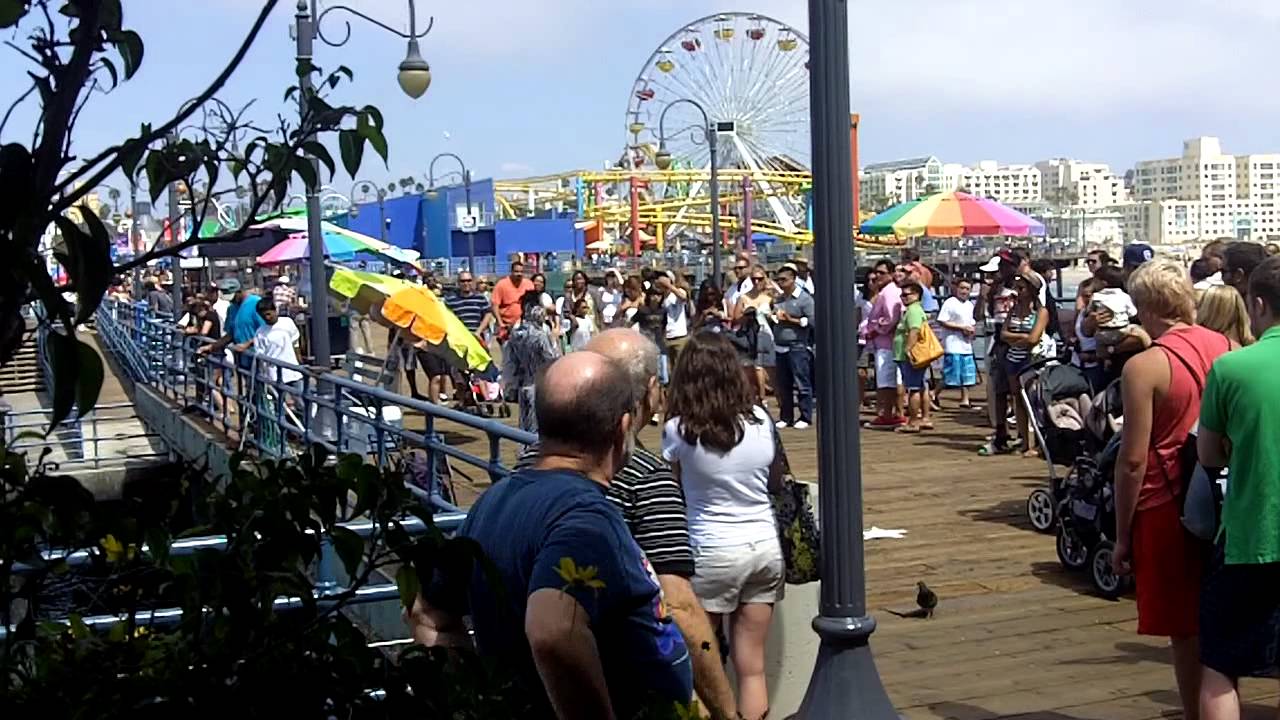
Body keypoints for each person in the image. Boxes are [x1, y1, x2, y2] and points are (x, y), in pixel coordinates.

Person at [409, 351, 693, 719]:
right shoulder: (584, 518)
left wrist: (484, 699)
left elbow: (427, 614)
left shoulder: (493, 499)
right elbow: (553, 632)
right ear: (623, 429)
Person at [512, 329, 739, 720]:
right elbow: (679, 605)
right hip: (623, 691)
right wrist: (725, 710)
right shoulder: (647, 480)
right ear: (650, 390)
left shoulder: (524, 470)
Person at [1112, 258, 1234, 720]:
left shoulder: (1144, 367)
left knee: (1185, 629)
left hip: (1167, 502)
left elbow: (1133, 460)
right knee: (1221, 618)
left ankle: (1195, 713)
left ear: (1146, 306)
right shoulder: (1228, 346)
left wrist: (1122, 535)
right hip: (1223, 497)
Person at [662, 332, 786, 720]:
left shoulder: (678, 430)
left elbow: (674, 485)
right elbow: (775, 481)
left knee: (701, 667)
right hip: (764, 546)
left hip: (711, 550)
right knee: (752, 667)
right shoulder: (761, 421)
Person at [1197, 256, 1280, 720]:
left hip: (1252, 535)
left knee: (1221, 665)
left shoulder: (1231, 368)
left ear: (1260, 304)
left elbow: (1209, 455)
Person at [1000, 274, 1049, 457]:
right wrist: (1023, 338)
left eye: (1022, 288)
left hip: (1031, 361)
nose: (1018, 292)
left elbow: (1034, 339)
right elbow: (1003, 334)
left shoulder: (1041, 311)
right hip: (1013, 359)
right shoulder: (1013, 310)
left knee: (1033, 401)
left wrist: (1017, 338)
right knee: (1018, 400)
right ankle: (1024, 440)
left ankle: (1035, 442)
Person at [502, 301, 561, 434]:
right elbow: (551, 358)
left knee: (523, 425)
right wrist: (554, 341)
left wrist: (510, 383)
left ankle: (523, 451)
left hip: (522, 384)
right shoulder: (540, 336)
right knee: (536, 427)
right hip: (538, 384)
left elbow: (509, 361)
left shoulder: (516, 334)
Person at [771, 265, 815, 429]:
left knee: (802, 382)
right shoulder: (779, 299)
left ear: (793, 279)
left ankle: (805, 416)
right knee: (784, 384)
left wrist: (790, 319)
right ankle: (786, 416)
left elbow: (812, 321)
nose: (781, 283)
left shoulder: (804, 299)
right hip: (780, 345)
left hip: (797, 345)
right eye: (778, 280)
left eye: (784, 280)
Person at [864, 259, 905, 427]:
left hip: (886, 343)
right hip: (888, 343)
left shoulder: (889, 293)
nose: (877, 275)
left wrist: (875, 330)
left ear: (890, 274)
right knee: (893, 379)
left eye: (882, 273)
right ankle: (895, 413)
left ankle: (886, 414)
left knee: (885, 381)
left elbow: (891, 319)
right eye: (876, 272)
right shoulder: (890, 291)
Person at [732, 265, 776, 405]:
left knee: (769, 366)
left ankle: (769, 394)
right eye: (754, 279)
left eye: (760, 279)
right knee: (756, 365)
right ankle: (761, 395)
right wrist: (747, 315)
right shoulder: (744, 297)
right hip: (750, 334)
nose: (757, 282)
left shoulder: (769, 297)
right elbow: (735, 318)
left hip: (767, 333)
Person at [893, 281, 931, 433]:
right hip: (909, 355)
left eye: (906, 294)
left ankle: (913, 421)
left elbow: (914, 331)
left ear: (916, 295)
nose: (903, 297)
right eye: (902, 295)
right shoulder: (911, 310)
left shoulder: (914, 311)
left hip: (910, 355)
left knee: (913, 388)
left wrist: (908, 350)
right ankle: (922, 418)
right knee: (920, 386)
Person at [937, 277, 978, 408]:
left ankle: (965, 398)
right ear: (956, 288)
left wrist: (972, 331)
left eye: (967, 289)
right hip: (952, 343)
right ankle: (934, 393)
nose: (964, 291)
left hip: (966, 344)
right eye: (962, 288)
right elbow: (942, 321)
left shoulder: (970, 305)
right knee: (950, 373)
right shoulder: (950, 302)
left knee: (967, 374)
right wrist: (961, 328)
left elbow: (972, 322)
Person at [252, 300, 304, 396]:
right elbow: (261, 357)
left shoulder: (287, 322)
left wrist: (300, 362)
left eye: (269, 314)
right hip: (274, 375)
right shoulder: (260, 333)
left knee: (301, 401)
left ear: (275, 310)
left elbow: (295, 342)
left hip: (293, 371)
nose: (267, 318)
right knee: (280, 404)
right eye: (263, 316)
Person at [445, 270, 495, 343]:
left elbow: (488, 314)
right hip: (458, 339)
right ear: (458, 283)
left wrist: (479, 331)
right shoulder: (451, 299)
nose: (466, 283)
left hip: (476, 338)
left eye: (469, 280)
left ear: (473, 282)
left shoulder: (480, 298)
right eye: (463, 281)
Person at [491, 260, 534, 341]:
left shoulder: (529, 284)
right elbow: (494, 305)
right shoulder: (501, 284)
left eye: (521, 272)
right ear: (511, 272)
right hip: (507, 325)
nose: (519, 274)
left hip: (525, 325)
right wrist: (500, 323)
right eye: (516, 271)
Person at [658, 271, 691, 362]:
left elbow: (683, 297)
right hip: (668, 337)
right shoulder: (663, 298)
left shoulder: (678, 292)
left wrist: (669, 286)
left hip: (679, 336)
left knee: (680, 364)